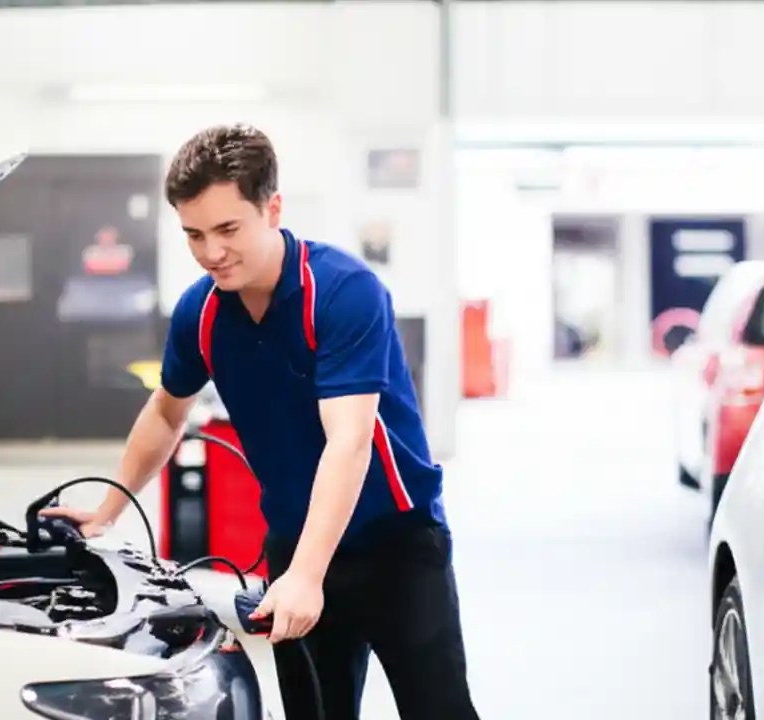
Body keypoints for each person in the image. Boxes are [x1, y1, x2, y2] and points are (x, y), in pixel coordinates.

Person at [42, 124, 479, 720]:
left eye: (227, 229)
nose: (211, 252)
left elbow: (348, 443)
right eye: (193, 234)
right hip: (295, 540)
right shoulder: (200, 312)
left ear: (271, 209)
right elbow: (167, 411)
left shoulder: (344, 293)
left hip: (398, 544)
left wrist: (305, 577)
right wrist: (108, 508)